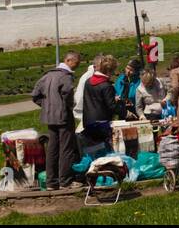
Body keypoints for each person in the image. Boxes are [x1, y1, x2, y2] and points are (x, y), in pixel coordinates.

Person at [31, 50, 81, 190]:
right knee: (66, 148)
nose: (76, 66)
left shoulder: (47, 75)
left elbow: (35, 95)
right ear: (68, 61)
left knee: (52, 148)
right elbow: (67, 94)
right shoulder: (66, 77)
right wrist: (69, 105)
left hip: (49, 117)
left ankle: (51, 182)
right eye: (76, 63)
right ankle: (65, 181)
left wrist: (46, 106)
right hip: (64, 116)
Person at [80, 54, 119, 154]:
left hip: (88, 120)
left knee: (92, 150)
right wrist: (122, 108)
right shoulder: (106, 85)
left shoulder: (88, 82)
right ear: (109, 71)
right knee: (104, 150)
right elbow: (111, 106)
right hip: (102, 122)